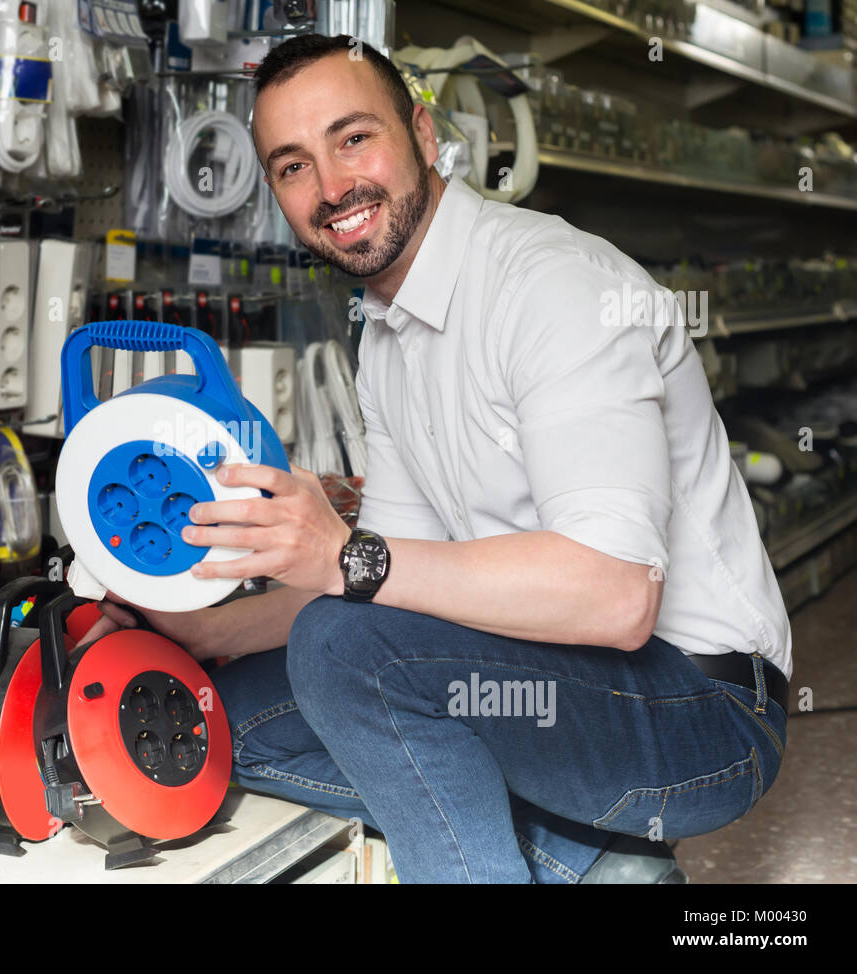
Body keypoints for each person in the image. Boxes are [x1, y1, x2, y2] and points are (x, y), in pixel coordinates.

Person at [84, 33, 791, 883]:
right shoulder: (389, 332)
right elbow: (383, 582)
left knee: (340, 652)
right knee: (219, 719)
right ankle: (595, 862)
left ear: (422, 134)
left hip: (701, 711)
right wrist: (200, 633)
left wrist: (340, 553)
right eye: (293, 165)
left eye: (353, 139)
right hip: (544, 682)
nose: (333, 186)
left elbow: (613, 595)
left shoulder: (552, 288)